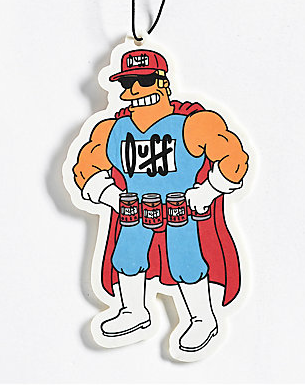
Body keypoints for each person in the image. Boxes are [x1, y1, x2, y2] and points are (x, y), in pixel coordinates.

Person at [73, 49, 248, 353]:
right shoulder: (112, 129)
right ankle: (133, 310)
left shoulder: (192, 124)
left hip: (181, 211)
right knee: (126, 257)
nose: (135, 90)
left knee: (185, 261)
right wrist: (111, 195)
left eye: (144, 81)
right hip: (133, 211)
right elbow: (85, 167)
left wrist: (207, 192)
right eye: (127, 83)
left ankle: (202, 317)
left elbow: (234, 158)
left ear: (163, 82)